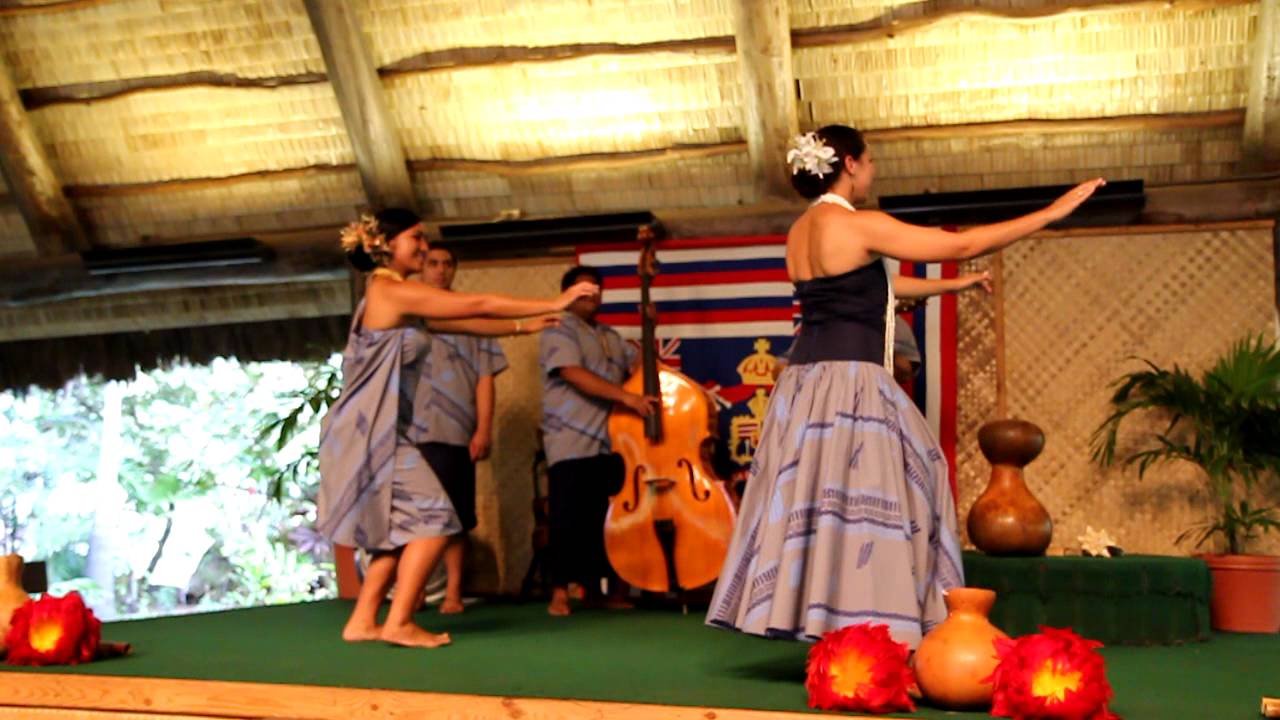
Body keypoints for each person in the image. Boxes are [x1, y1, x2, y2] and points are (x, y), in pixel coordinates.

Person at [705, 125, 1104, 649]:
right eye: (869, 163)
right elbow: (960, 243)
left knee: (830, 504)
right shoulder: (859, 223)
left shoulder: (800, 231)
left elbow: (868, 290)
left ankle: (833, 624)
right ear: (849, 163)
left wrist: (950, 286)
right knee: (890, 493)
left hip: (804, 385)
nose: (872, 173)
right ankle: (880, 630)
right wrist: (1049, 214)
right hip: (850, 381)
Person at [317, 208, 597, 648]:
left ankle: (364, 620)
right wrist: (554, 300)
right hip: (374, 431)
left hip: (378, 429)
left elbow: (466, 322)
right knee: (436, 521)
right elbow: (477, 302)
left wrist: (525, 325)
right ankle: (400, 621)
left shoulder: (395, 297)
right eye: (417, 238)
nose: (425, 248)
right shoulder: (391, 289)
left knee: (398, 530)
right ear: (386, 244)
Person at [538, 265, 657, 617]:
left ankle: (596, 591)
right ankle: (559, 593)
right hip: (570, 438)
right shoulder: (556, 328)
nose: (591, 295)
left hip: (611, 441)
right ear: (567, 294)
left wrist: (651, 329)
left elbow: (643, 367)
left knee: (603, 520)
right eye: (582, 289)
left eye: (596, 289)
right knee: (566, 516)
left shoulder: (609, 335)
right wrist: (628, 399)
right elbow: (573, 373)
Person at [411, 245, 520, 615]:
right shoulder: (407, 313)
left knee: (455, 516)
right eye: (432, 263)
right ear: (421, 268)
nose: (440, 271)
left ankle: (454, 592)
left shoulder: (472, 316)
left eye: (447, 264)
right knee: (413, 515)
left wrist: (483, 429)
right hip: (410, 432)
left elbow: (485, 378)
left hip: (456, 431)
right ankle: (413, 593)